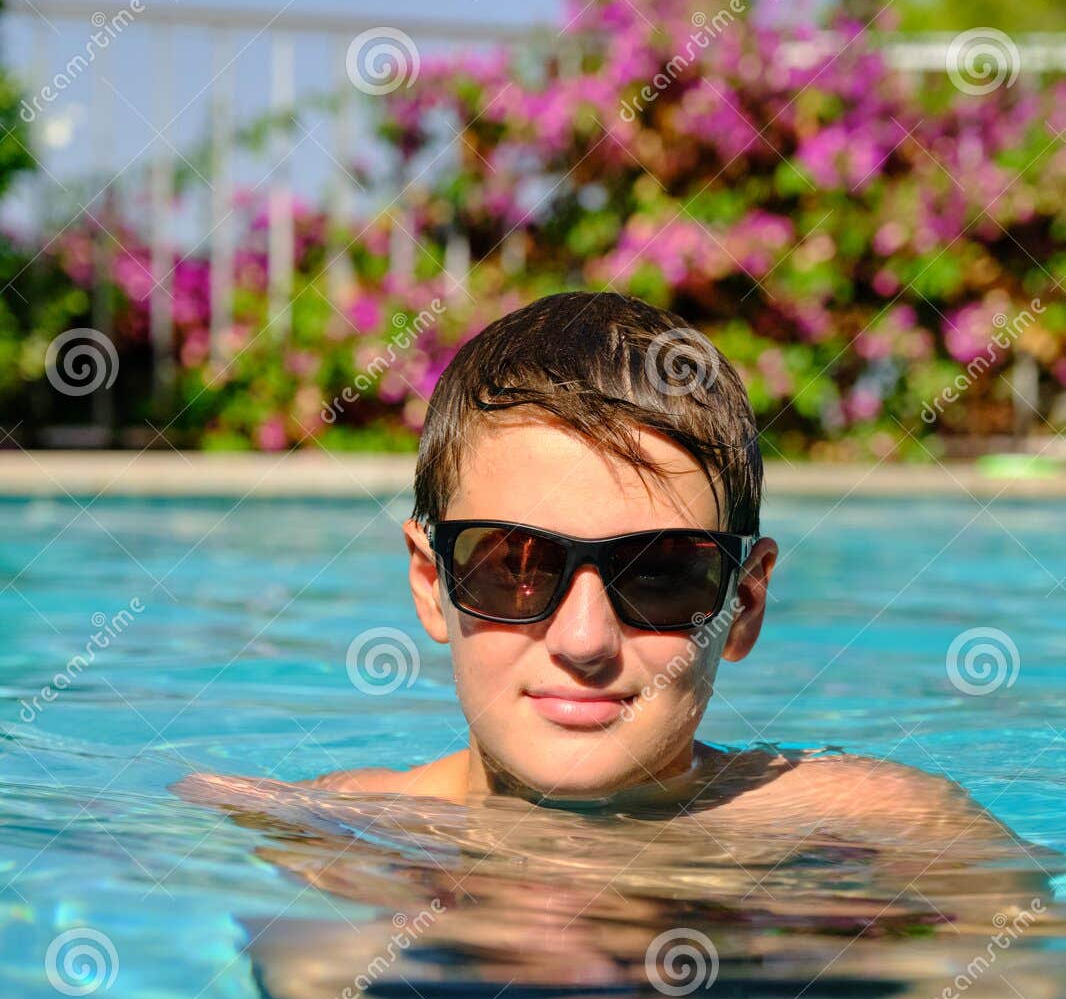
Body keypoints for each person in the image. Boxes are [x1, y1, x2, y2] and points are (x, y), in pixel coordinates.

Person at [177, 291, 1019, 847]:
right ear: (432, 583)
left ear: (745, 603)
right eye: (515, 565)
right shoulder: (319, 834)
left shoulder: (892, 834)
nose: (584, 640)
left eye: (661, 575)